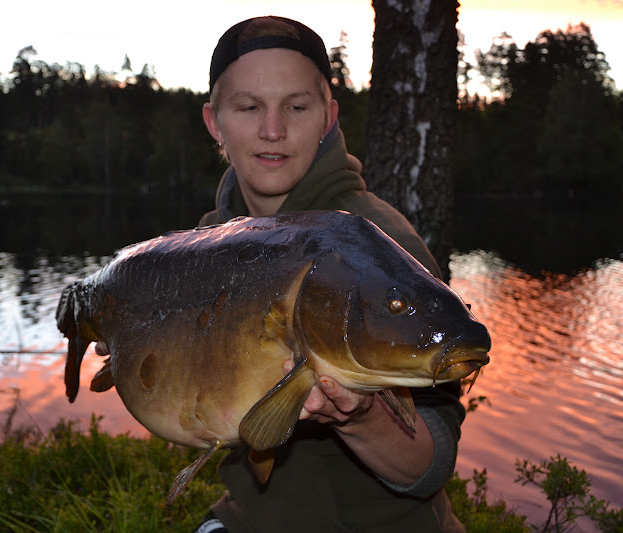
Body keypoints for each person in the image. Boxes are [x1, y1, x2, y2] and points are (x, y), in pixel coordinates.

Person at [193, 16, 466, 533]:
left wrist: (362, 417)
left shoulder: (378, 246)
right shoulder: (207, 245)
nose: (273, 129)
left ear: (328, 118)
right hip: (258, 516)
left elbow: (431, 461)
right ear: (214, 121)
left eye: (296, 107)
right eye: (249, 107)